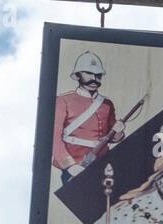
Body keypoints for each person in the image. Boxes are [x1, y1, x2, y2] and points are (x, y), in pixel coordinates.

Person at [52, 52, 126, 184]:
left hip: (103, 164)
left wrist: (119, 131)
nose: (94, 78)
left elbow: (112, 136)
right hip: (75, 165)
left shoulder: (106, 104)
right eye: (89, 74)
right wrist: (70, 166)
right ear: (77, 75)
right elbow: (55, 139)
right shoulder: (63, 100)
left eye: (98, 75)